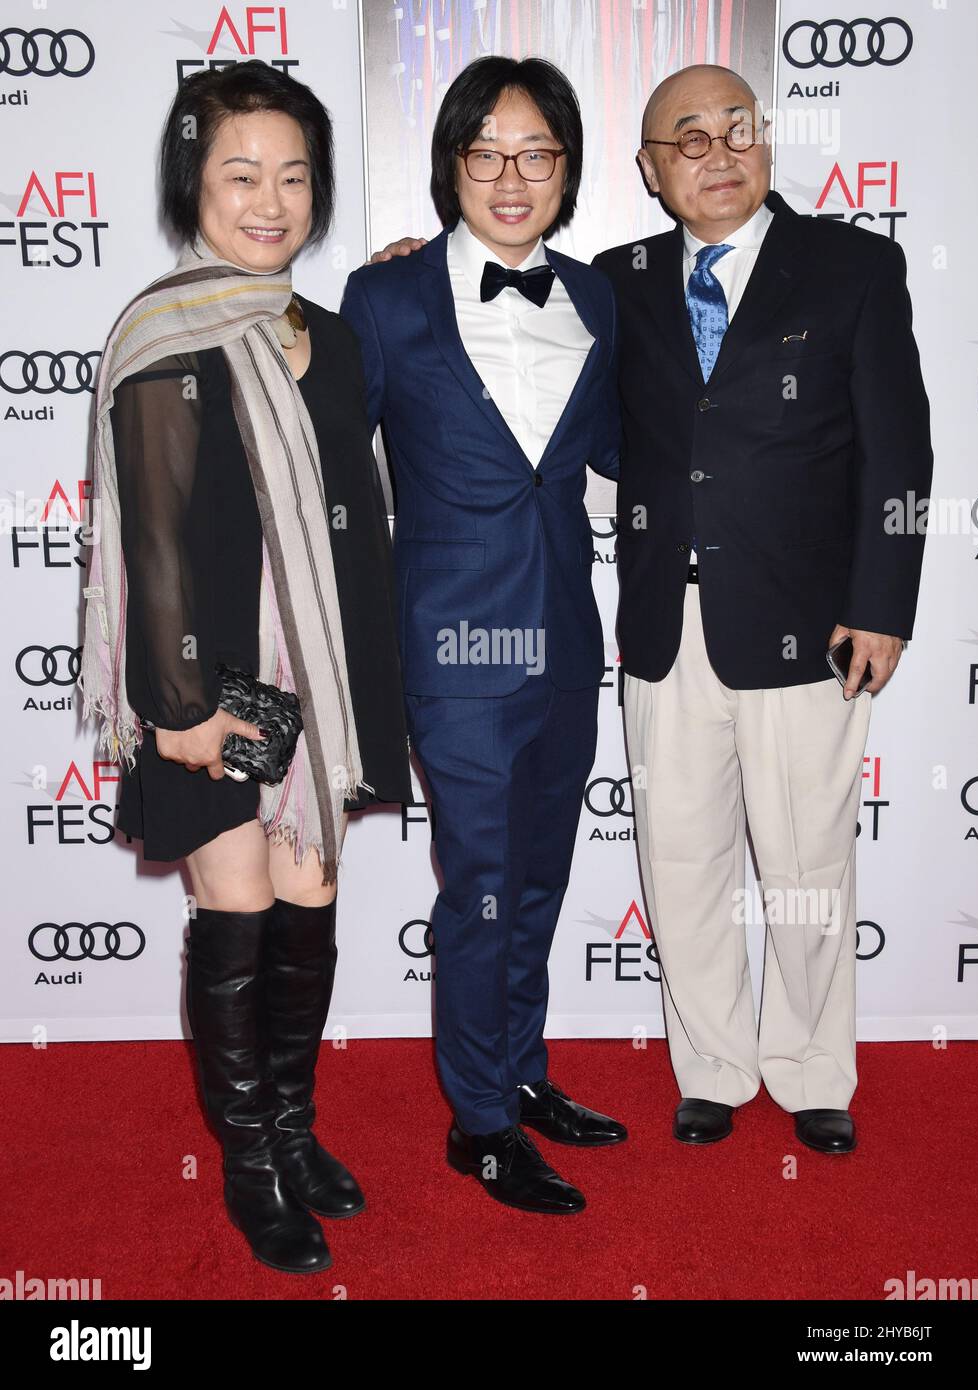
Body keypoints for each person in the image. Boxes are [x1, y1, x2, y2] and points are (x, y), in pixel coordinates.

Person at [78, 61, 411, 1273]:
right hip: (214, 680)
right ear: (192, 186)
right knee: (236, 910)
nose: (271, 200)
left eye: (294, 176)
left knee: (309, 910)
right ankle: (249, 1164)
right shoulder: (164, 330)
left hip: (312, 686)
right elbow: (154, 535)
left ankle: (293, 1123)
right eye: (240, 174)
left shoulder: (326, 330)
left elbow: (343, 508)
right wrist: (174, 711)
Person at [592, 64, 933, 1154]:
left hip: (807, 628)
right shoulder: (618, 280)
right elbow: (570, 403)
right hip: (661, 626)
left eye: (735, 127)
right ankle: (713, 1068)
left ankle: (809, 1066)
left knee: (805, 867)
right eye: (684, 139)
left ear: (767, 139)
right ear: (650, 172)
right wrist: (424, 269)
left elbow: (898, 447)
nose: (716, 151)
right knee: (680, 863)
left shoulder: (852, 267)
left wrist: (880, 603)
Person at [341, 56, 625, 1214]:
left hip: (565, 626)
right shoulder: (385, 298)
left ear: (567, 171)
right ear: (450, 163)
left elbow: (619, 447)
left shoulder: (600, 298)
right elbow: (332, 472)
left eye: (538, 154)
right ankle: (479, 1125)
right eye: (486, 153)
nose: (512, 178)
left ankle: (520, 1069)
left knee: (541, 878)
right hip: (452, 643)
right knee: (481, 886)